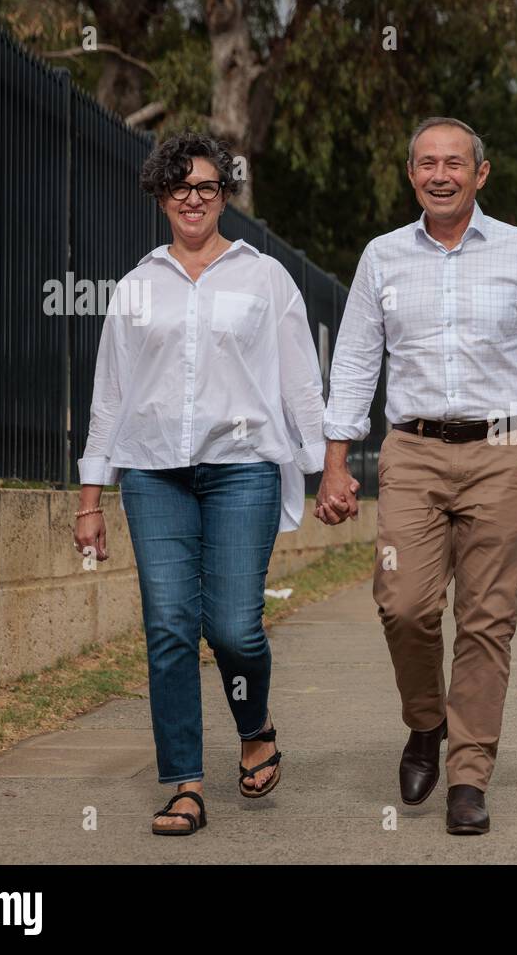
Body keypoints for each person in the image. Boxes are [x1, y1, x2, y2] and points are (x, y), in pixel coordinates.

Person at [317, 117, 517, 834]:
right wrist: (336, 461)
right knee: (403, 602)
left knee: (488, 616)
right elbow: (354, 361)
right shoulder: (381, 258)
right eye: (428, 163)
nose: (441, 174)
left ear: (482, 174)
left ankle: (469, 774)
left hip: (503, 451)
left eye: (455, 163)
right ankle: (425, 721)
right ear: (411, 175)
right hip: (412, 451)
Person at [74, 131, 331, 834]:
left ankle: (255, 725)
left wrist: (326, 469)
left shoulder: (264, 277)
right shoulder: (136, 286)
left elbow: (300, 383)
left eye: (208, 186)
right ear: (161, 195)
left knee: (233, 626)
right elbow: (110, 396)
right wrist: (91, 497)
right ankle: (184, 781)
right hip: (154, 474)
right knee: (168, 628)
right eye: (180, 186)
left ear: (225, 196)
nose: (194, 197)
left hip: (242, 468)